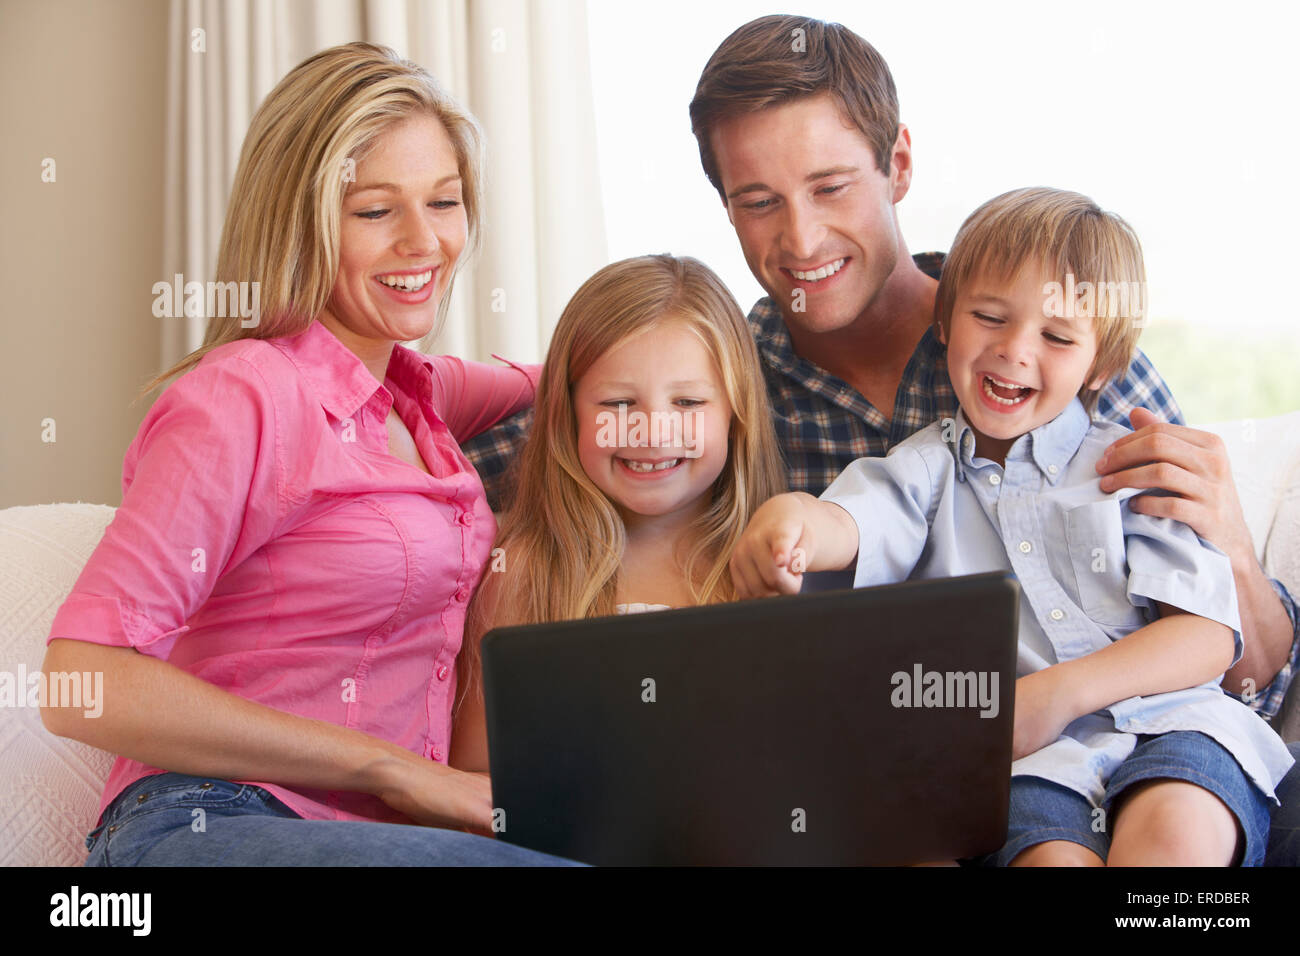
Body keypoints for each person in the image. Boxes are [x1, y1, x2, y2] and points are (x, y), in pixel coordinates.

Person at [461, 15, 1300, 861]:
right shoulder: (717, 389)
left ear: (897, 165)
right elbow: (525, 452)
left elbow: (1247, 677)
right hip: (967, 789)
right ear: (727, 208)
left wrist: (1228, 547)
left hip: (1163, 742)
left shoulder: (1062, 350)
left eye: (830, 187)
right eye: (759, 202)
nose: (801, 240)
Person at [39, 42, 579, 865]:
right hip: (209, 820)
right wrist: (389, 768)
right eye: (374, 211)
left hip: (375, 837)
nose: (424, 242)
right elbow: (81, 683)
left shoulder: (419, 393)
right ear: (301, 219)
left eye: (445, 201)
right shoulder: (243, 395)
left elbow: (591, 371)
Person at [730, 187, 1294, 865]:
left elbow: (1206, 635)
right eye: (990, 317)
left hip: (1174, 725)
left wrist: (1060, 693)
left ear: (1103, 364)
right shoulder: (925, 471)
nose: (1015, 350)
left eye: (1057, 336)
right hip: (1026, 760)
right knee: (1049, 861)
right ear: (945, 324)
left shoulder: (1129, 467)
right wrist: (791, 520)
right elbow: (850, 521)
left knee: (1177, 834)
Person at [450, 254, 785, 771]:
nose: (651, 432)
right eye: (618, 405)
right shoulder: (522, 573)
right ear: (567, 414)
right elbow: (476, 783)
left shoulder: (769, 566)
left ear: (736, 416)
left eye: (689, 404)